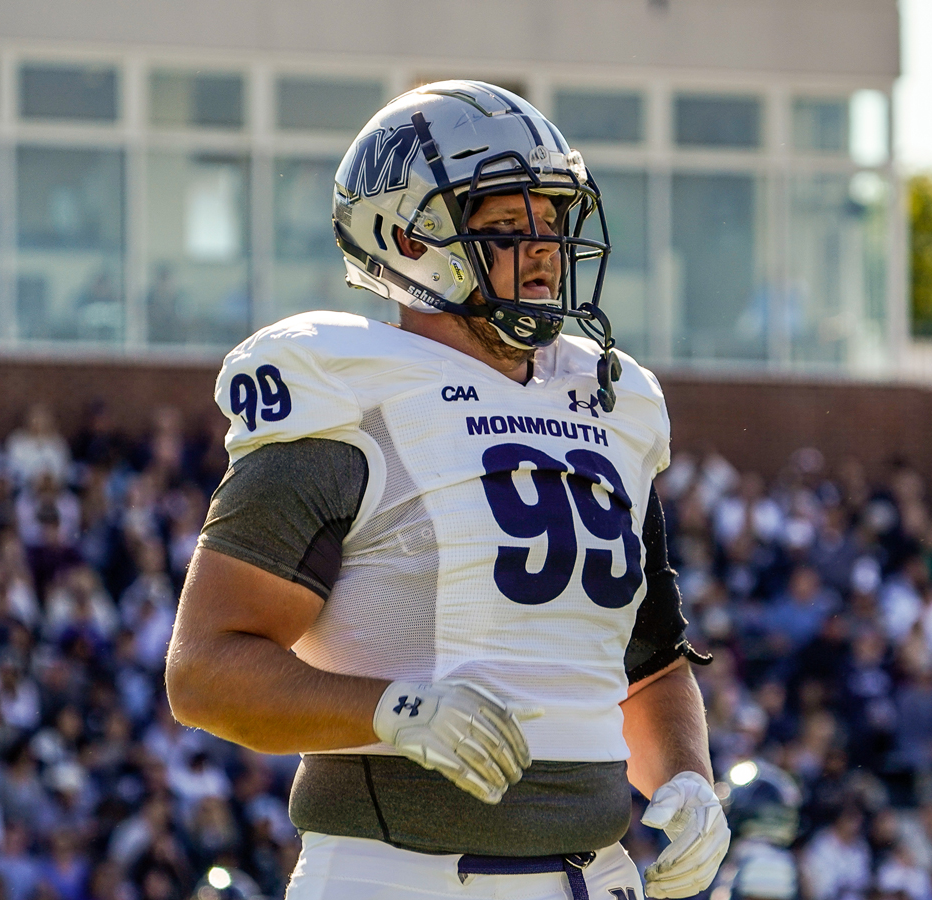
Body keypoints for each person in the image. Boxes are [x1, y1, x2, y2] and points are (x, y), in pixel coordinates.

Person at [166, 81, 728, 900]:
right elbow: (205, 671)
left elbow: (648, 662)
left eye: (552, 222)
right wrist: (395, 712)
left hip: (596, 878)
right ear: (407, 238)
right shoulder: (352, 395)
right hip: (397, 876)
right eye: (507, 226)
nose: (543, 250)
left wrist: (687, 780)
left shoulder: (613, 402)